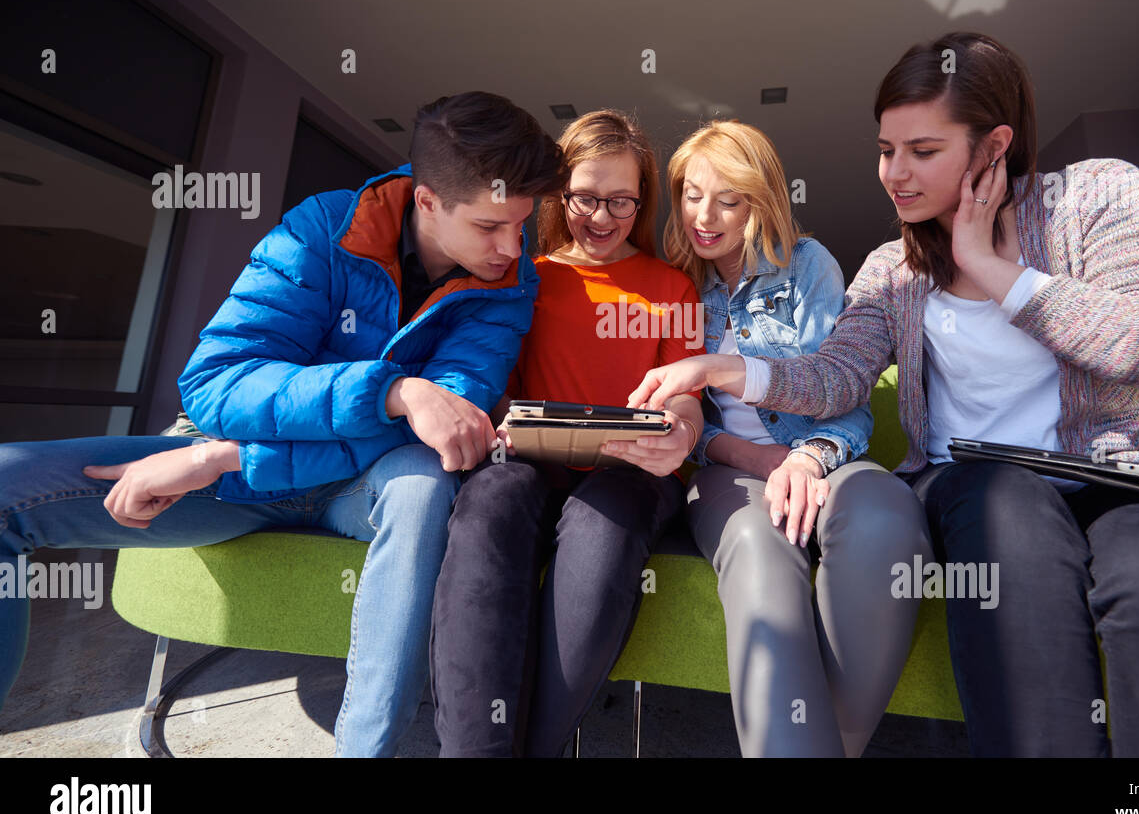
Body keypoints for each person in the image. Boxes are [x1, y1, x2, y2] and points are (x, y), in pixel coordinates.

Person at [630, 32, 1139, 757]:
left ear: (994, 146)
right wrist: (723, 370)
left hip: (1126, 477)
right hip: (974, 482)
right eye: (886, 150)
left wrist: (991, 267)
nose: (894, 173)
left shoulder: (1097, 196)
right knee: (1010, 540)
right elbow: (837, 377)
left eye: (922, 150)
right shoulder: (892, 268)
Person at [0, 91, 564, 757]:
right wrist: (395, 391)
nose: (512, 248)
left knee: (422, 484)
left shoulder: (511, 284)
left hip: (313, 478)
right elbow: (216, 382)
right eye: (491, 226)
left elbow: (446, 428)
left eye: (521, 225)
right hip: (244, 478)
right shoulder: (319, 230)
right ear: (428, 201)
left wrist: (225, 458)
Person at [431, 109, 704, 757]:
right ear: (559, 195)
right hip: (532, 460)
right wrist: (499, 417)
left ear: (642, 199)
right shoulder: (526, 276)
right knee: (489, 503)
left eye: (621, 200)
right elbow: (496, 387)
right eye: (585, 197)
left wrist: (681, 433)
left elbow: (686, 396)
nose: (602, 217)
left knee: (601, 521)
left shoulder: (672, 288)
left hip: (633, 473)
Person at [655, 119, 930, 756]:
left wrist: (805, 460)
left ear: (761, 201)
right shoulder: (674, 285)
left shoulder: (807, 265)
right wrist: (758, 458)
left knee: (885, 520)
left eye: (728, 200)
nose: (704, 217)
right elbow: (684, 423)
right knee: (759, 542)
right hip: (727, 471)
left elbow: (844, 394)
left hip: (827, 455)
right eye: (692, 196)